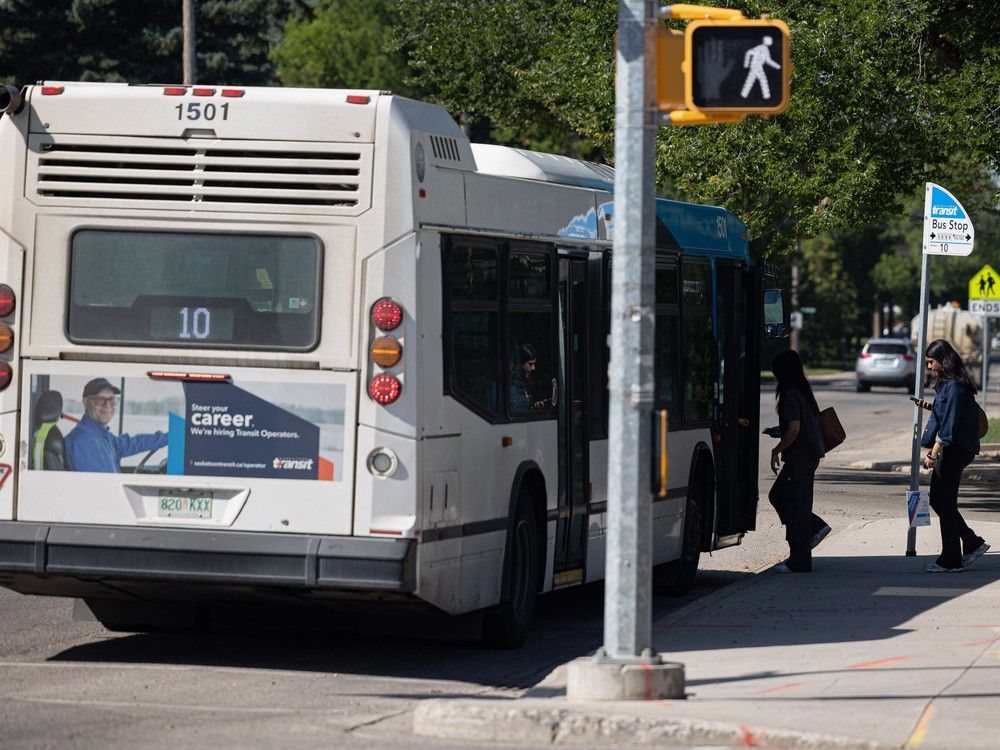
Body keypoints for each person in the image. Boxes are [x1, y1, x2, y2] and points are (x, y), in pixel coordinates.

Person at [916, 339, 989, 572]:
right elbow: (948, 412)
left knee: (945, 502)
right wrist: (930, 406)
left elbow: (949, 427)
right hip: (953, 449)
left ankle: (951, 560)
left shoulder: (956, 386)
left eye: (931, 362)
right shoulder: (948, 385)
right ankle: (972, 542)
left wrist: (932, 455)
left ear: (943, 361)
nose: (929, 366)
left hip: (956, 449)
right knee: (939, 500)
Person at [767, 350, 831, 573]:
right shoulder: (802, 392)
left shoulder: (790, 395)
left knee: (787, 500)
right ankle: (802, 553)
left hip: (800, 458)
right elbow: (798, 426)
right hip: (808, 457)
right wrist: (779, 431)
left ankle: (809, 539)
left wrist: (776, 450)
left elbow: (794, 430)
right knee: (795, 502)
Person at [64, 378, 168, 473]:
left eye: (111, 400)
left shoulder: (102, 435)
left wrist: (169, 437)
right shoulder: (84, 440)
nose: (107, 405)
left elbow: (133, 443)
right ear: (86, 402)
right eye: (100, 399)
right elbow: (101, 485)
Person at [508, 344, 549, 413]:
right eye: (530, 364)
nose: (533, 368)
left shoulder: (527, 386)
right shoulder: (510, 388)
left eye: (534, 364)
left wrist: (535, 408)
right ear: (519, 364)